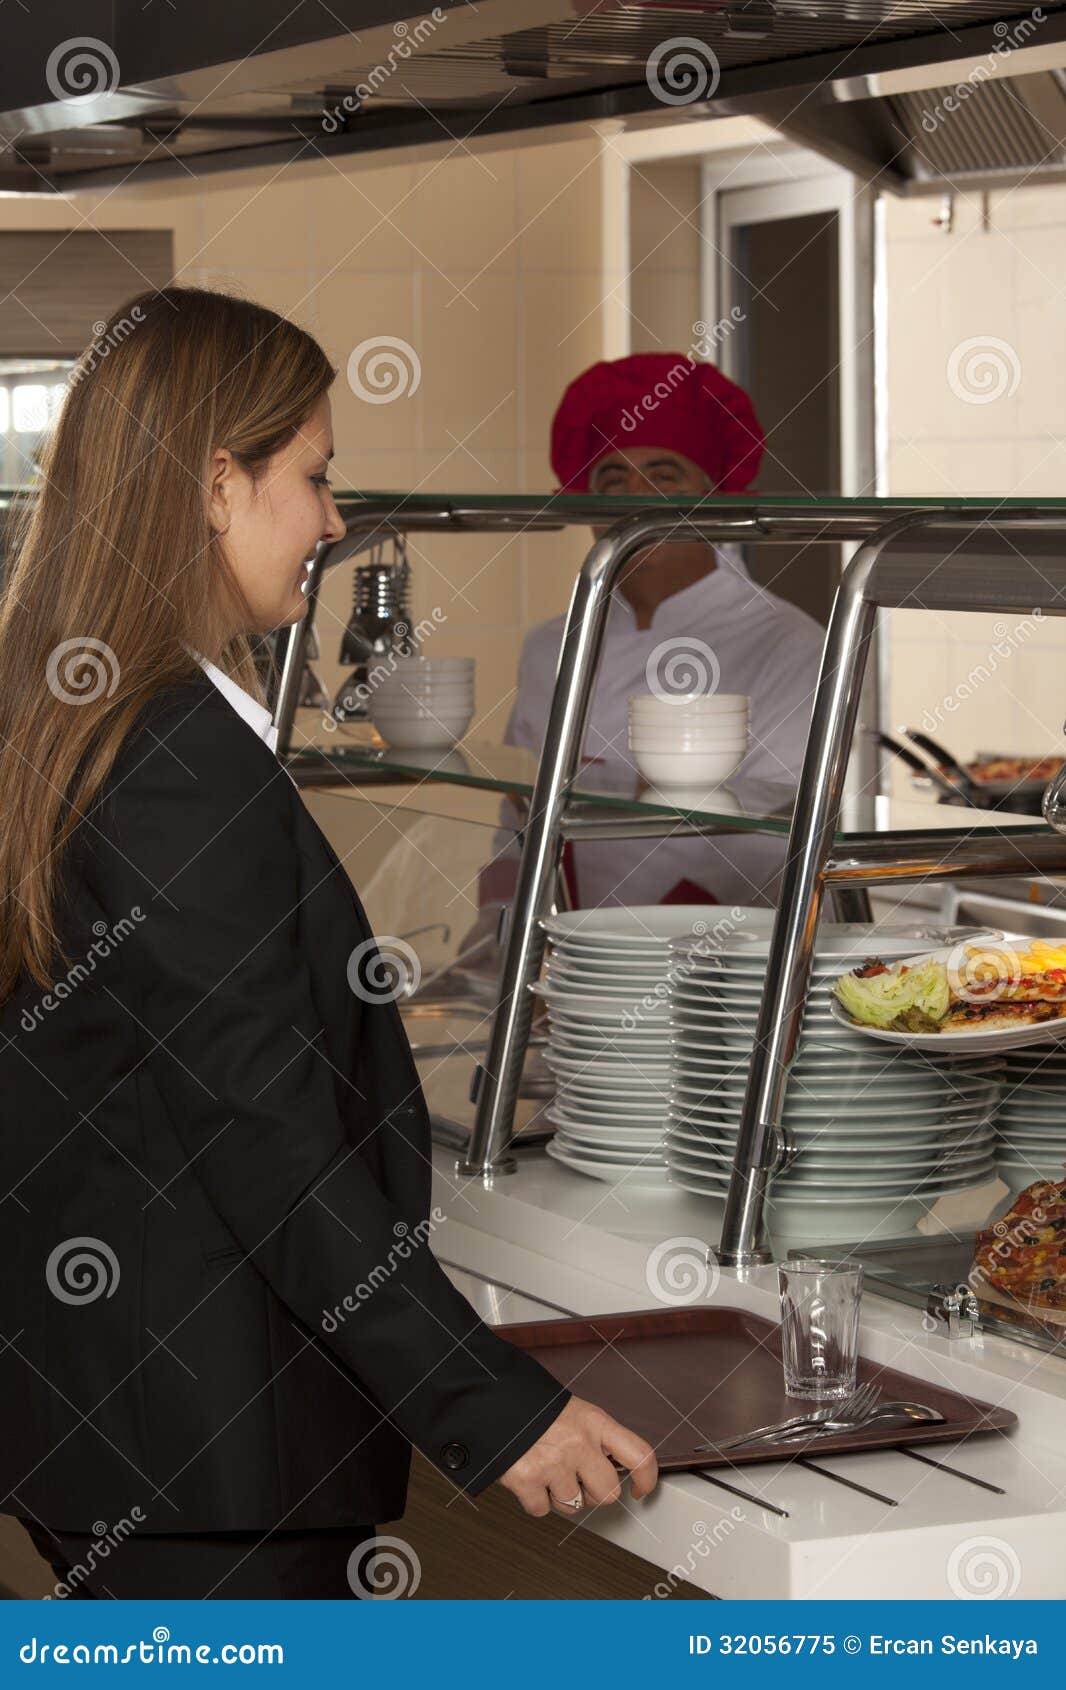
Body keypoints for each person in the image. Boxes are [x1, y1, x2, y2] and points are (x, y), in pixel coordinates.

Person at [0, 287, 657, 1600]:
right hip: (208, 1445)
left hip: (127, 1420)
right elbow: (268, 1141)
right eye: (314, 475)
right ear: (212, 483)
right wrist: (493, 1405)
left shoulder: (85, 715)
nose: (334, 521)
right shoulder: (173, 754)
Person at [473, 352, 826, 939]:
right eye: (613, 480)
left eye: (664, 476)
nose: (637, 501)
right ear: (586, 503)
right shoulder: (550, 648)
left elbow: (775, 848)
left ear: (715, 495)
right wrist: (497, 938)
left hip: (733, 973)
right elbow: (518, 826)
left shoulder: (788, 645)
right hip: (575, 970)